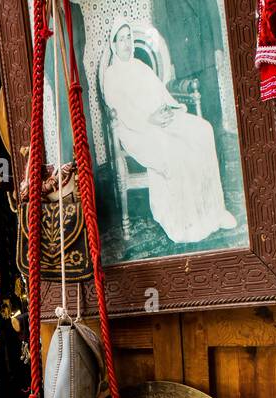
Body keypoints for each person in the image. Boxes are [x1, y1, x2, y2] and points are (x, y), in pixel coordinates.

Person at [100, 20, 236, 244]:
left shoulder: (141, 66)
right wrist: (149, 119)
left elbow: (160, 93)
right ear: (114, 45)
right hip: (136, 130)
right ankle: (187, 222)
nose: (127, 44)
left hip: (160, 119)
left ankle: (215, 210)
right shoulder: (111, 75)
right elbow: (121, 111)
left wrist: (167, 109)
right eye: (121, 39)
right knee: (174, 148)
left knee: (203, 130)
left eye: (129, 38)